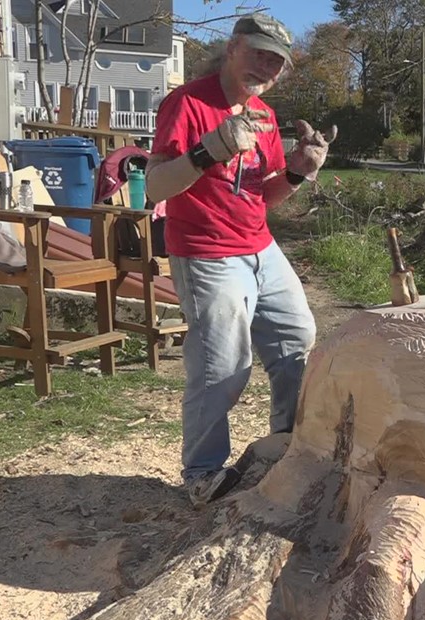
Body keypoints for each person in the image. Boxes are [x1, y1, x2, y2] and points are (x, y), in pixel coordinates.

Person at [144, 12, 330, 506]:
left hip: (259, 246)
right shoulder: (188, 103)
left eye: (276, 62)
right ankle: (202, 472)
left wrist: (298, 171)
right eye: (258, 55)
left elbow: (260, 196)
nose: (265, 68)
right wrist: (209, 150)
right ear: (232, 48)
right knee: (223, 363)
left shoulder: (263, 114)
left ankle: (287, 447)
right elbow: (155, 188)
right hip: (206, 251)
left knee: (297, 338)